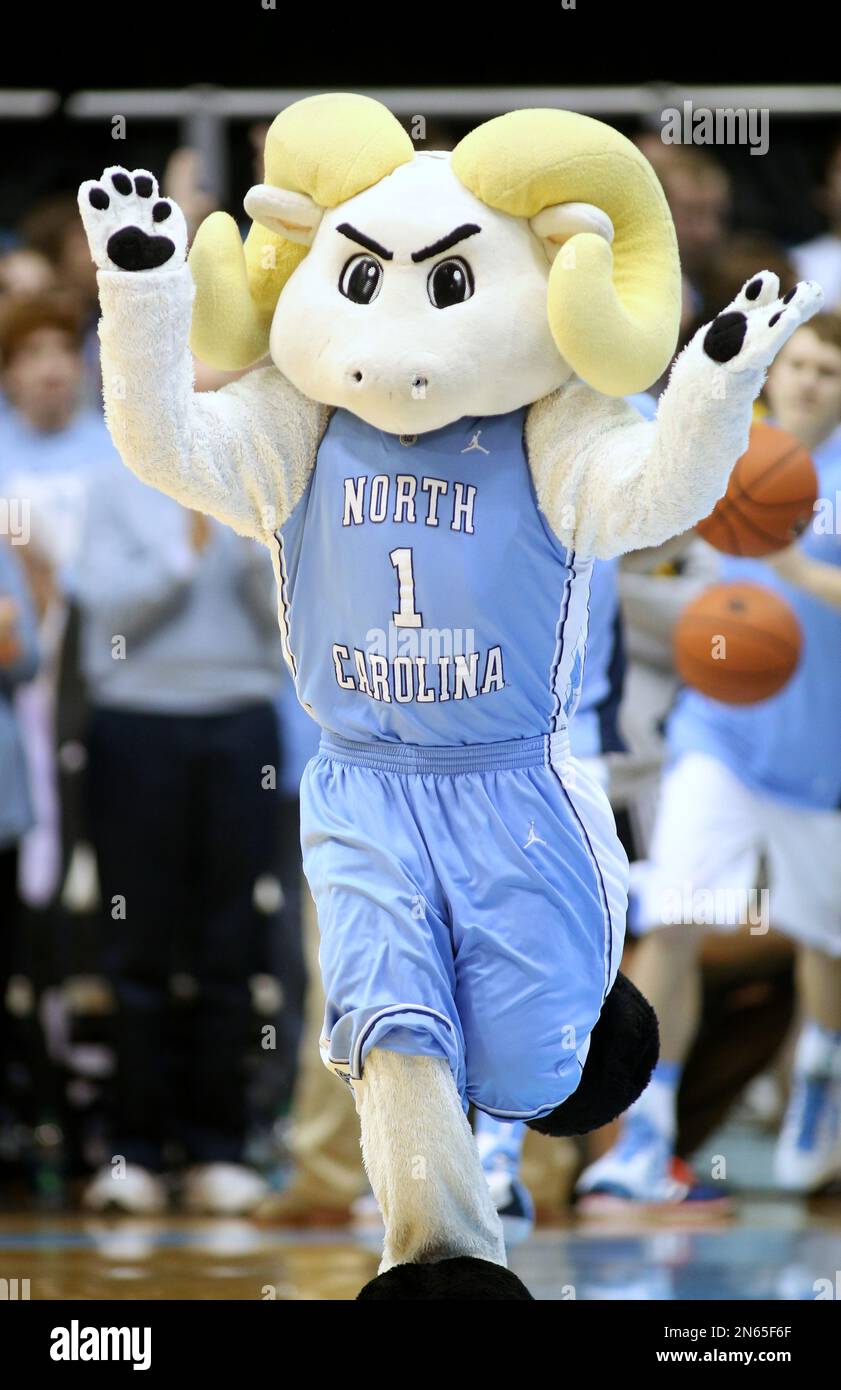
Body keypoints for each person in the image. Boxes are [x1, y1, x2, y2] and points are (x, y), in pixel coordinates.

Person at [577, 312, 841, 1206]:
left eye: (827, 372)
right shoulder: (728, 451)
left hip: (822, 760)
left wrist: (801, 573)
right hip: (718, 737)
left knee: (823, 945)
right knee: (675, 918)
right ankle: (640, 1140)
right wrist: (683, 524)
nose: (807, 383)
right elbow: (628, 550)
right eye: (798, 365)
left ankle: (817, 1071)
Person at [74, 460, 286, 1214]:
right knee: (137, 943)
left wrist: (252, 549)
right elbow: (106, 612)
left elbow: (289, 617)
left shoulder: (255, 474)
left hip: (240, 718)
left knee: (230, 942)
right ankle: (130, 1148)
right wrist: (183, 553)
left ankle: (218, 1147)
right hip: (136, 720)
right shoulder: (111, 480)